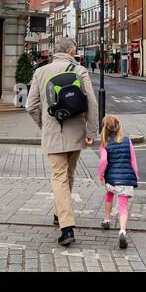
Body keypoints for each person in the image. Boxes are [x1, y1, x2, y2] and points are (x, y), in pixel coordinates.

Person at [26, 38, 100, 247]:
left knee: (59, 177)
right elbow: (91, 103)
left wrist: (45, 125)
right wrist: (92, 131)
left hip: (53, 131)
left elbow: (31, 106)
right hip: (76, 131)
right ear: (71, 51)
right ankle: (61, 216)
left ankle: (66, 227)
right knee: (68, 174)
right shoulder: (79, 70)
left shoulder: (40, 72)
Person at [97, 115, 138, 249]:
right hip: (126, 178)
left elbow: (103, 161)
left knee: (109, 194)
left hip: (112, 179)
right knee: (123, 206)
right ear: (119, 126)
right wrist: (135, 175)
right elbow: (133, 160)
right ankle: (122, 231)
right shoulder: (127, 141)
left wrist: (100, 175)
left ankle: (107, 220)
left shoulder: (105, 143)